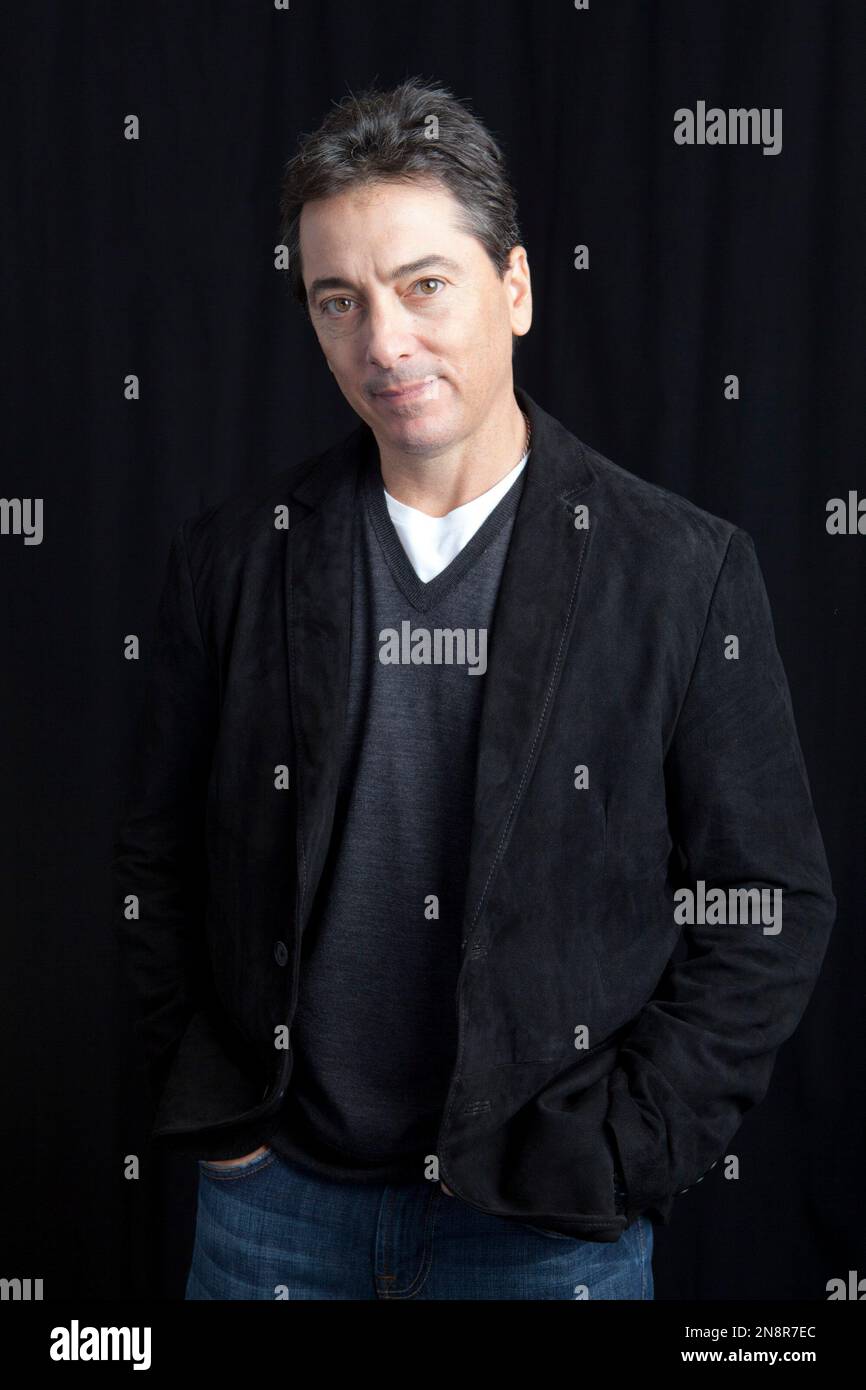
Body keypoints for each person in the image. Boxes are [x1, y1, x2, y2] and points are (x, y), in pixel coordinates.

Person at [114, 77, 836, 1301]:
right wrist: (220, 1121)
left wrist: (620, 1150)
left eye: (423, 285)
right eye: (336, 301)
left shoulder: (679, 570)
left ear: (515, 287)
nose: (382, 342)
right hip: (274, 1210)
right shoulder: (236, 557)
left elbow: (765, 904)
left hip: (544, 1230)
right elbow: (155, 858)